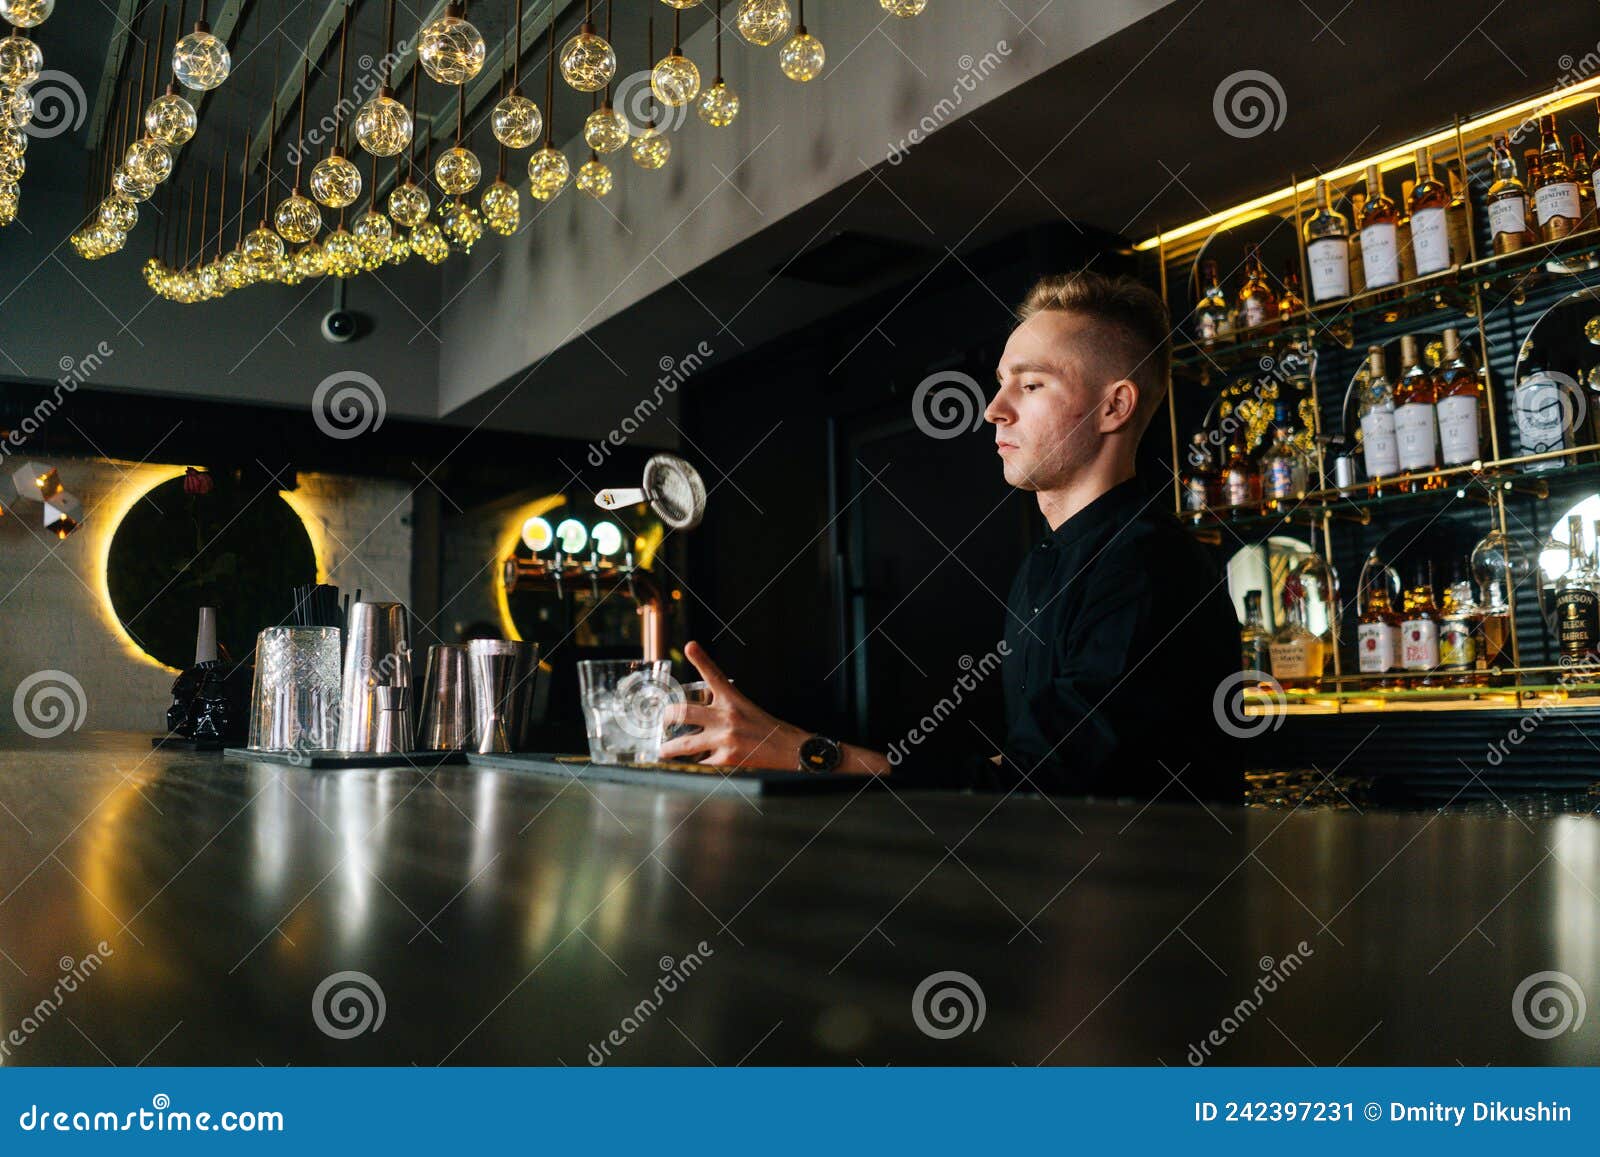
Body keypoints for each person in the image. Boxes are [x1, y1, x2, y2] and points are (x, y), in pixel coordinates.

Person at [659, 270, 1241, 800]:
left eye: (1032, 385)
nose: (994, 409)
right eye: (1001, 383)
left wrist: (805, 753)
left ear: (1114, 406)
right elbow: (1017, 768)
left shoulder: (1147, 569)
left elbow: (1046, 793)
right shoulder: (1045, 562)